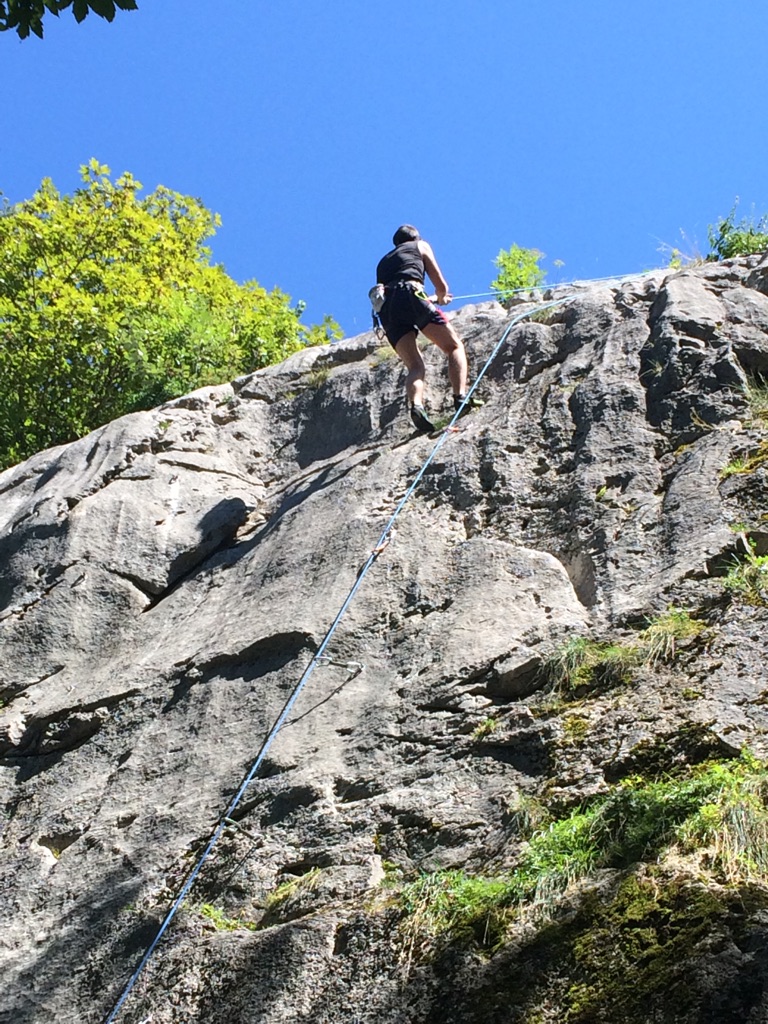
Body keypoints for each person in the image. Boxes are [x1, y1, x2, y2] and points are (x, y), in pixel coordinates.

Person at [376, 225, 481, 432]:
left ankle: (417, 406)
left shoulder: (383, 263)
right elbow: (439, 284)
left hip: (387, 310)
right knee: (454, 347)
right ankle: (460, 398)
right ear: (415, 237)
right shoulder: (420, 245)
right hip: (411, 294)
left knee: (415, 366)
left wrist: (432, 299)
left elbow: (399, 290)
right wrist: (441, 295)